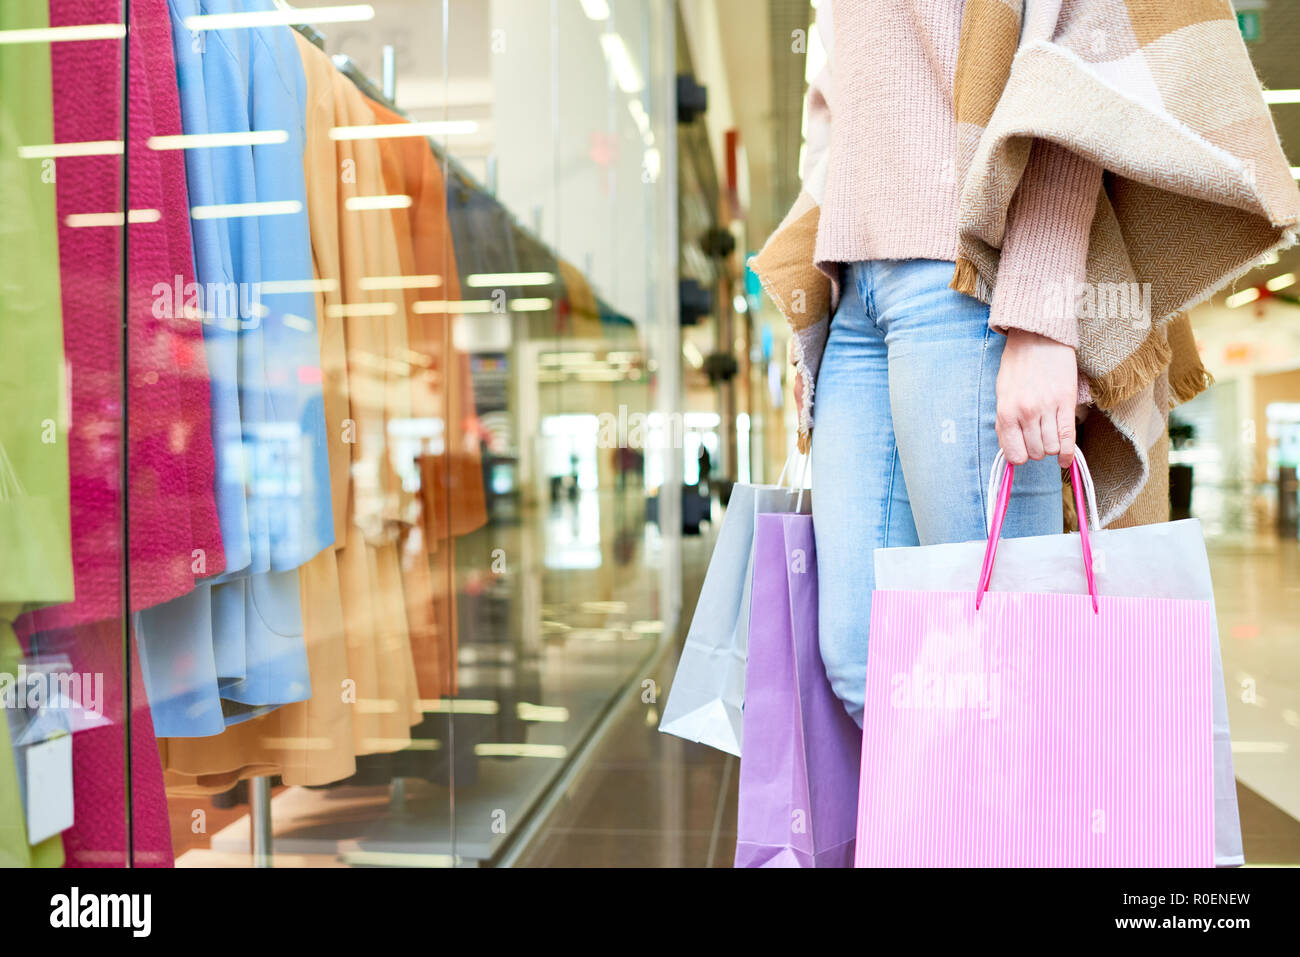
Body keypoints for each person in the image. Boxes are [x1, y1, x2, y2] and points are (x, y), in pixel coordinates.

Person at [753, 0, 1299, 726]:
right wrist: (812, 306)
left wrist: (1043, 308)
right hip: (853, 293)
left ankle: (1033, 829)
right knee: (861, 663)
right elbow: (837, 89)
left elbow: (1072, 47)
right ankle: (954, 832)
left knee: (1006, 676)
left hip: (966, 274)